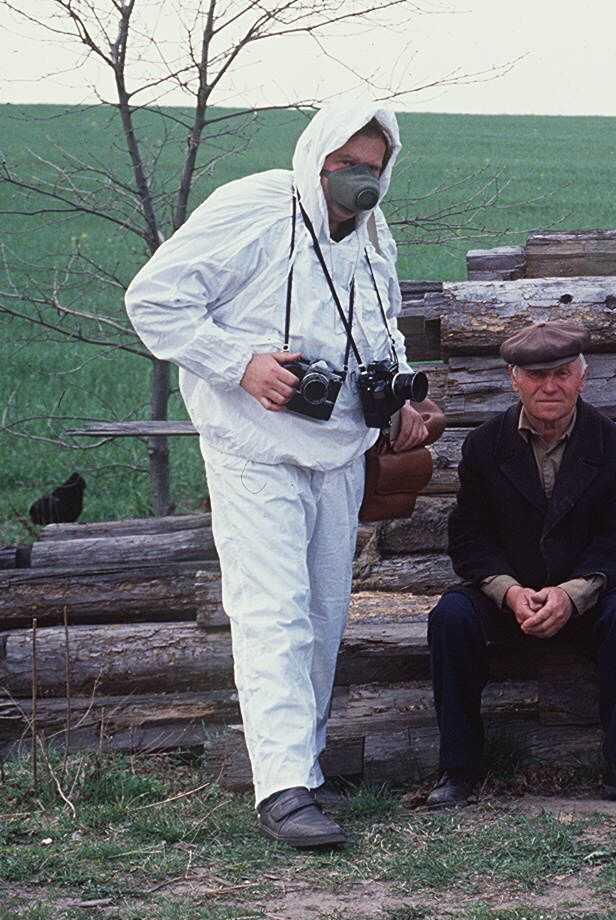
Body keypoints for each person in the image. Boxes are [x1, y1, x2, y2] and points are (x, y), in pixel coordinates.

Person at [125, 103, 427, 847]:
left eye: (373, 165)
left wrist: (399, 395)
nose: (360, 179)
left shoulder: (373, 232)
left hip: (338, 448)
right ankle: (282, 790)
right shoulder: (254, 207)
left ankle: (307, 769)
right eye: (346, 164)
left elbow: (380, 321)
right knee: (274, 612)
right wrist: (242, 364)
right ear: (317, 156)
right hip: (254, 447)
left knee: (324, 614)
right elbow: (152, 301)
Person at [425, 320, 616, 808]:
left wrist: (571, 594)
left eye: (561, 373)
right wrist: (509, 592)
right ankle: (459, 768)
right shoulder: (485, 446)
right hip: (510, 597)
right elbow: (469, 538)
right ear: (513, 378)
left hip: (588, 598)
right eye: (535, 376)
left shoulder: (615, 448)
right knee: (450, 617)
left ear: (582, 375)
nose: (549, 386)